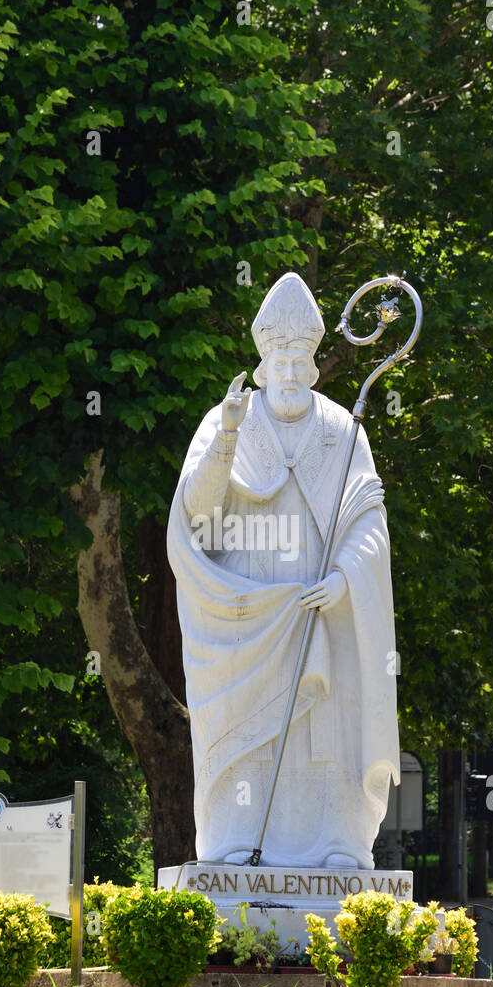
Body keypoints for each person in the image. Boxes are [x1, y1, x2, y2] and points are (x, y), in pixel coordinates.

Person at [167, 272, 400, 868]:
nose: (291, 374)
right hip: (247, 615)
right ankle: (238, 840)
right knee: (251, 730)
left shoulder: (342, 432)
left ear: (314, 365)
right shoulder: (231, 420)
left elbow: (368, 520)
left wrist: (347, 578)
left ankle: (335, 842)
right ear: (264, 366)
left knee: (325, 730)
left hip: (321, 609)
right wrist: (225, 436)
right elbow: (198, 509)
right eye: (281, 363)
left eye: (301, 361)